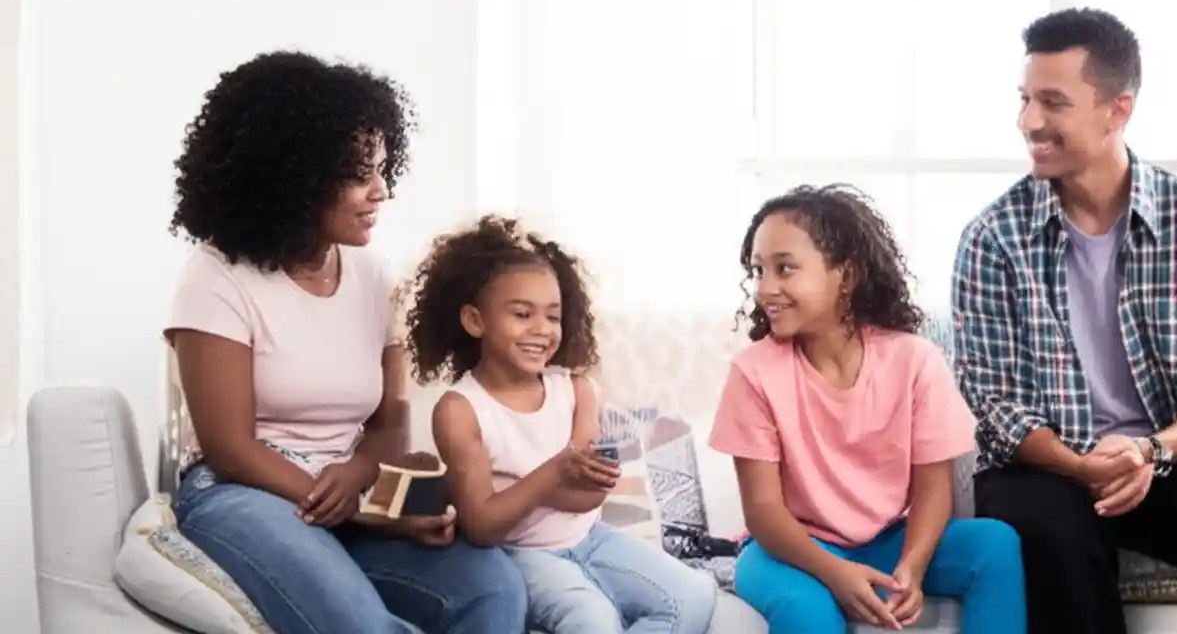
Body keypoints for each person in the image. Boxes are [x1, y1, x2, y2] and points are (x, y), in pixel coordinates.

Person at [164, 51, 527, 634]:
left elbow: (390, 421)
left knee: (494, 590)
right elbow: (229, 448)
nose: (381, 191)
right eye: (360, 175)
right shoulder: (217, 276)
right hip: (242, 493)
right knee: (359, 623)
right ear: (296, 179)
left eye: (382, 169)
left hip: (351, 489)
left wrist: (364, 480)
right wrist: (357, 509)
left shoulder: (374, 276)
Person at [951, 7, 1177, 634]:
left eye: (1052, 102)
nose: (1029, 121)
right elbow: (993, 402)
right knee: (1050, 528)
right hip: (1045, 466)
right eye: (1024, 99)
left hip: (1165, 459)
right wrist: (1079, 466)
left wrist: (1149, 450)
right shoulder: (992, 237)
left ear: (1117, 109)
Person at [710, 184, 1026, 634]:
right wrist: (837, 575)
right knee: (807, 611)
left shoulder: (915, 361)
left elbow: (932, 489)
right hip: (788, 550)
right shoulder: (753, 372)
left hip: (887, 541)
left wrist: (913, 566)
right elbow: (764, 512)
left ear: (847, 275)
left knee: (995, 545)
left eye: (785, 268)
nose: (765, 289)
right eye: (758, 270)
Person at [404, 215, 718, 634]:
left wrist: (527, 488)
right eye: (522, 314)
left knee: (694, 595)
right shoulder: (460, 410)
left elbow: (587, 496)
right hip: (524, 555)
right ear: (475, 321)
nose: (542, 330)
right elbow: (481, 527)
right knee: (596, 623)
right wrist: (556, 471)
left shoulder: (576, 391)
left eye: (553, 317)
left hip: (592, 537)